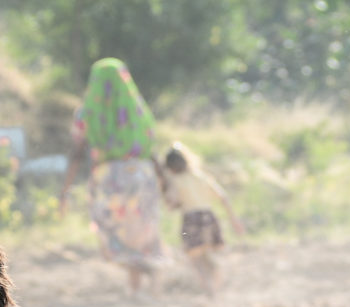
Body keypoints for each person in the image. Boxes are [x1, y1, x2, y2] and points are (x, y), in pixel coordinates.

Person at [59, 57, 166, 292]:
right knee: (144, 226)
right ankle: (152, 279)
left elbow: (76, 154)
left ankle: (136, 283)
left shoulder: (87, 112)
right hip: (142, 175)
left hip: (110, 179)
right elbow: (151, 147)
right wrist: (163, 180)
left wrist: (64, 191)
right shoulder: (137, 108)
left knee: (117, 229)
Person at [161, 141, 244, 294]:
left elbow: (172, 201)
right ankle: (216, 288)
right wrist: (234, 220)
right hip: (209, 217)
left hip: (191, 219)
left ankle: (208, 289)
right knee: (209, 255)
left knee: (195, 258)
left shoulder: (175, 180)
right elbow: (223, 197)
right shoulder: (200, 176)